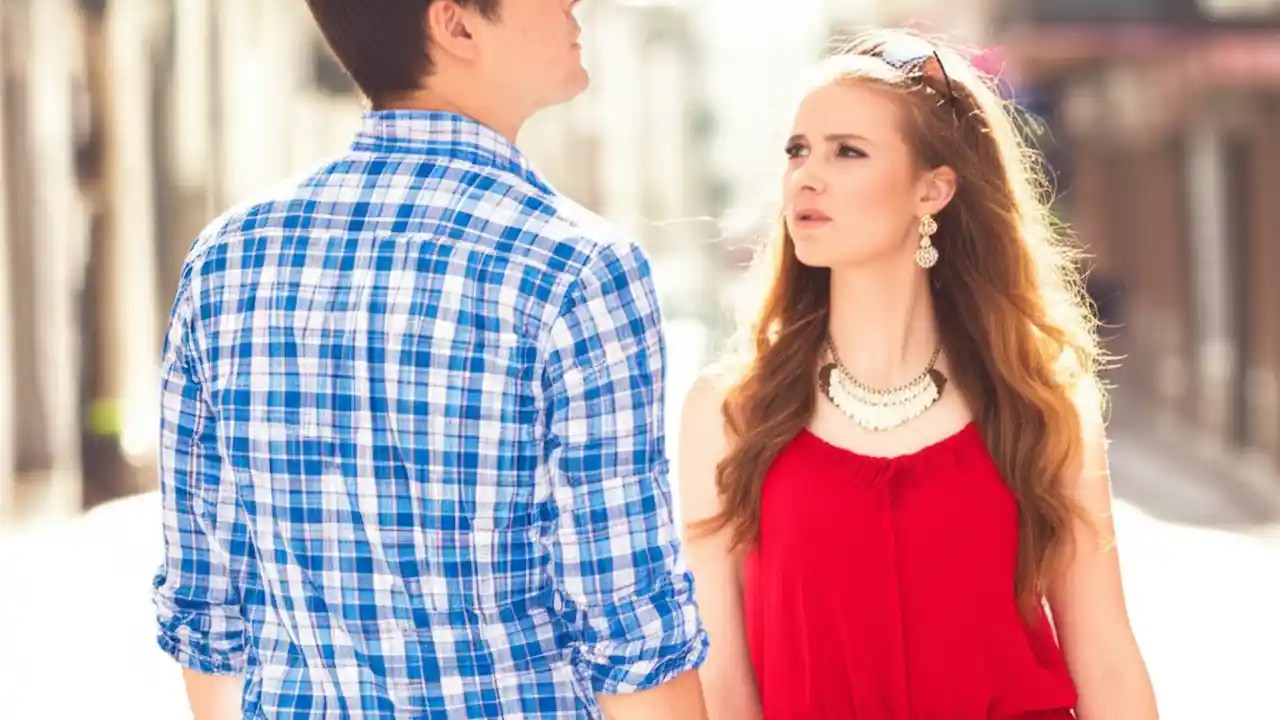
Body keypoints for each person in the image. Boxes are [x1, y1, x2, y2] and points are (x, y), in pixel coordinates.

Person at [151, 1, 709, 718]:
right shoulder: (577, 269)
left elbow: (206, 608)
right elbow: (630, 631)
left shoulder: (228, 257)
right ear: (456, 24)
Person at [679, 29, 1158, 719]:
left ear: (933, 190)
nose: (806, 176)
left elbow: (1107, 664)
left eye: (848, 151)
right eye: (797, 151)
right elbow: (723, 684)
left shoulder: (1038, 400)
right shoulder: (728, 412)